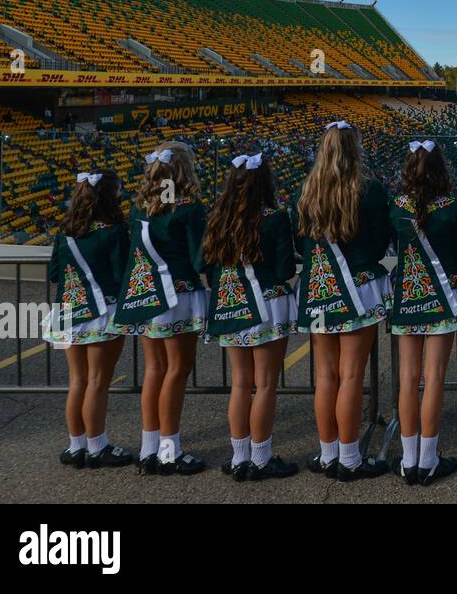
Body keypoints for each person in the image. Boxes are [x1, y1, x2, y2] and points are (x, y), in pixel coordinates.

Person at [296, 121, 392, 482]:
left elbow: (299, 242)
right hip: (358, 290)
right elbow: (382, 241)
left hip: (320, 291)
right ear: (355, 150)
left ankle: (327, 454)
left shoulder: (306, 191)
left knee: (326, 375)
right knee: (351, 374)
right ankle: (349, 458)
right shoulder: (370, 191)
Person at [110, 142, 208, 475]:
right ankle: (170, 448)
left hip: (147, 296)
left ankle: (149, 445)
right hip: (178, 296)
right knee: (176, 372)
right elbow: (200, 259)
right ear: (184, 170)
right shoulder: (191, 209)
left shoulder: (140, 208)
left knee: (154, 370)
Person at [201, 152, 299, 481]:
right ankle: (260, 457)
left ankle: (239, 456)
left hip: (230, 305)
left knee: (241, 383)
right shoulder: (274, 217)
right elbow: (286, 269)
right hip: (266, 306)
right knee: (266, 384)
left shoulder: (218, 217)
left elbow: (205, 264)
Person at [389, 140, 457, 485]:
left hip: (407, 296)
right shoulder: (453, 207)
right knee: (433, 378)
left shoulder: (396, 207)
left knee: (408, 378)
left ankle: (409, 461)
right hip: (442, 297)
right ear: (440, 169)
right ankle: (428, 459)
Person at [44, 169, 134, 470]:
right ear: (110, 195)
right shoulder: (114, 230)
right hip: (101, 312)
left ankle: (76, 445)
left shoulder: (66, 230)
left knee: (77, 381)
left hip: (69, 311)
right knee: (98, 381)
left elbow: (55, 273)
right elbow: (123, 274)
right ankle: (98, 446)